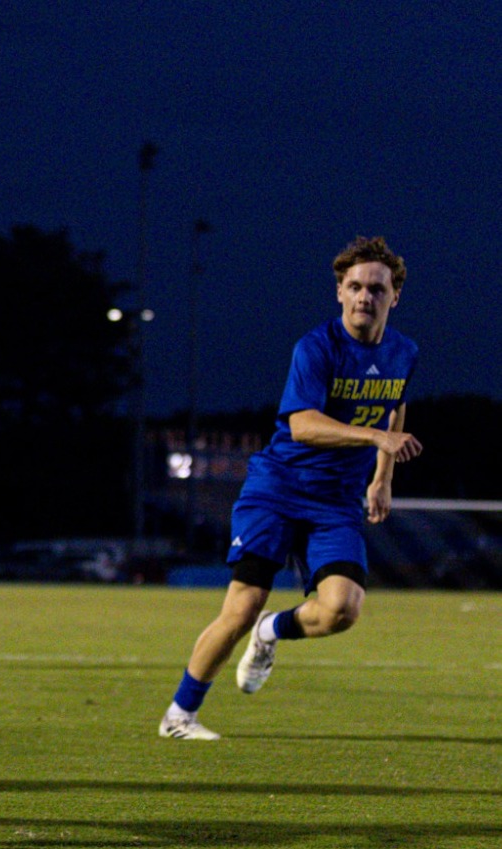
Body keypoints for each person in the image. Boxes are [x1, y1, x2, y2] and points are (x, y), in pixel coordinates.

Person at [158, 236, 421, 741]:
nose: (365, 296)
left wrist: (382, 478)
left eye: (377, 289)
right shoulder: (316, 347)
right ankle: (179, 716)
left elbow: (395, 407)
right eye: (355, 287)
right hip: (278, 489)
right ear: (340, 293)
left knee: (343, 609)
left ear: (395, 296)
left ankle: (271, 632)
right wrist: (374, 438)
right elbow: (302, 424)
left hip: (338, 501)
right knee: (240, 607)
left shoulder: (403, 352)